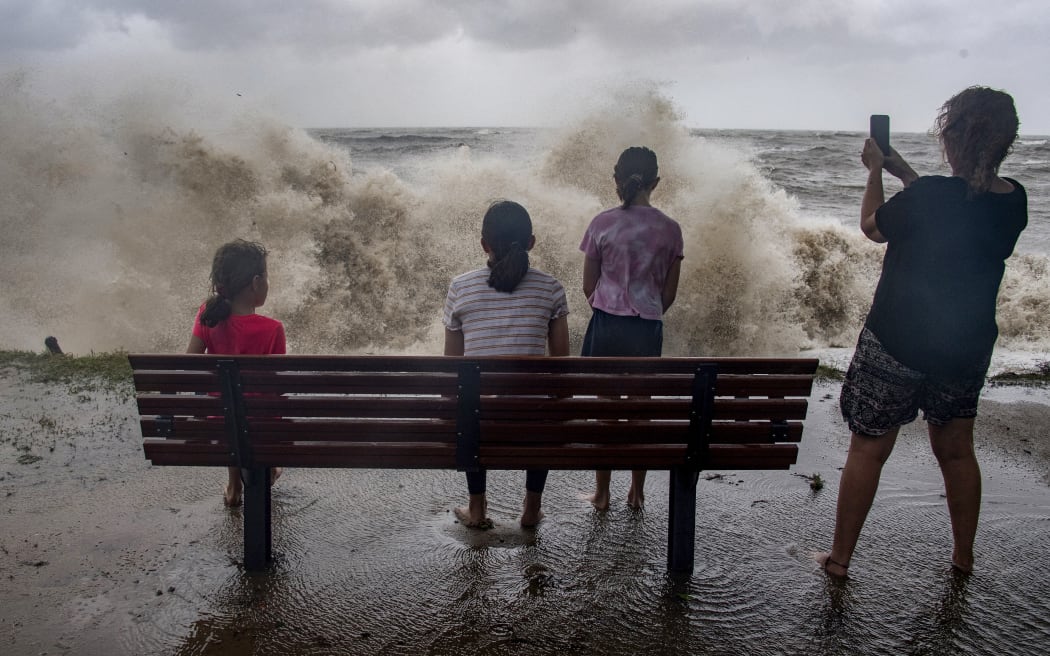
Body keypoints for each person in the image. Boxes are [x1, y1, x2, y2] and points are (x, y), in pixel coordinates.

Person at [817, 87, 1027, 578]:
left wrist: (874, 171)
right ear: (1003, 143)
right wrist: (906, 174)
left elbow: (873, 225)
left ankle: (840, 561)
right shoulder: (1015, 200)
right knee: (956, 450)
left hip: (898, 339)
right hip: (965, 347)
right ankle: (963, 559)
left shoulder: (933, 195)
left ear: (951, 138)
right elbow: (956, 207)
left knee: (869, 447)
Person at [443, 200, 570, 528]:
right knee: (545, 403)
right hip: (533, 423)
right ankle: (531, 508)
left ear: (484, 244)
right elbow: (562, 366)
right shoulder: (551, 289)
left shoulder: (460, 287)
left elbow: (452, 367)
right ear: (531, 242)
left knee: (468, 396)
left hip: (478, 422)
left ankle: (476, 507)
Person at [579, 146, 684, 511]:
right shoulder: (671, 230)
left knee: (605, 411)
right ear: (656, 182)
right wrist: (646, 310)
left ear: (616, 180)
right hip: (646, 327)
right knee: (641, 411)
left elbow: (588, 286)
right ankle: (637, 493)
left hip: (606, 323)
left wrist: (610, 306)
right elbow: (668, 294)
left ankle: (602, 494)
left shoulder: (601, 223)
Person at [186, 239, 287, 507]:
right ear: (256, 282)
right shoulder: (272, 329)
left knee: (230, 410)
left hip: (218, 420)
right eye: (267, 277)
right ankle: (269, 468)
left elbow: (190, 363)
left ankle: (234, 487)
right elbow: (276, 388)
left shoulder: (207, 315)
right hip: (260, 423)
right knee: (259, 410)